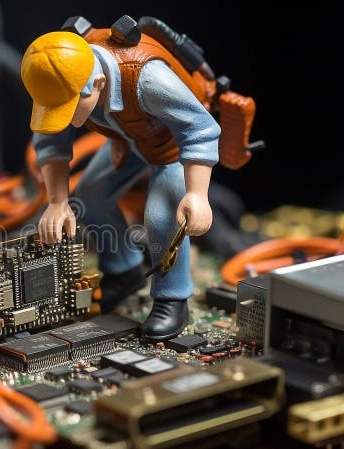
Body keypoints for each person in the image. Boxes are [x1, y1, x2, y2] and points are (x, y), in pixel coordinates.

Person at [21, 29, 220, 340]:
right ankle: (123, 268)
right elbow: (51, 143)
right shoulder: (64, 79)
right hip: (128, 141)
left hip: (171, 148)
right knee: (87, 198)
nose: (64, 115)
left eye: (70, 107)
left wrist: (197, 194)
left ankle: (172, 298)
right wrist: (58, 202)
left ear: (98, 85)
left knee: (161, 217)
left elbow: (200, 129)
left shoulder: (146, 79)